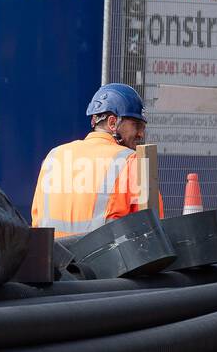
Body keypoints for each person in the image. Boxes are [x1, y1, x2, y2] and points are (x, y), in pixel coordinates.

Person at [31, 83, 160, 237]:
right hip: (107, 260)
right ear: (113, 123)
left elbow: (37, 222)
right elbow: (151, 234)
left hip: (54, 259)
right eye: (136, 125)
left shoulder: (54, 157)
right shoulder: (132, 162)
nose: (140, 134)